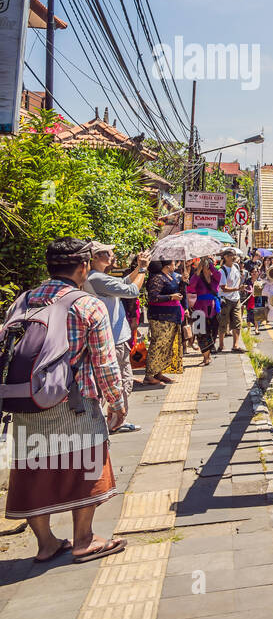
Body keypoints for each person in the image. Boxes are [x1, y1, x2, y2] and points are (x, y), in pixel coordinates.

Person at [4, 237, 129, 563]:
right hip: (75, 404)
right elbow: (104, 363)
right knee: (86, 469)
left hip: (26, 402)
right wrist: (117, 402)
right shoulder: (88, 305)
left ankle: (46, 543)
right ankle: (84, 539)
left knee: (33, 471)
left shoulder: (23, 301)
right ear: (83, 266)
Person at [85, 242, 147, 429]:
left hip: (113, 337)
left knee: (115, 382)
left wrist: (137, 268)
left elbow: (124, 283)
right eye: (107, 252)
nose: (112, 254)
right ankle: (116, 421)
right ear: (94, 257)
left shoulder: (98, 277)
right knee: (122, 381)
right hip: (114, 339)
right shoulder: (97, 279)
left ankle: (113, 420)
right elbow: (131, 291)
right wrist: (143, 269)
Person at [143, 260, 184, 385]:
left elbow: (178, 290)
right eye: (173, 263)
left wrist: (183, 282)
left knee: (166, 345)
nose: (175, 265)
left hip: (172, 315)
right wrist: (171, 297)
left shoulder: (169, 277)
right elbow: (153, 297)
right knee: (158, 344)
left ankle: (158, 372)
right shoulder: (157, 278)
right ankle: (149, 375)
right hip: (160, 316)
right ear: (167, 266)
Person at [186, 256, 221, 367]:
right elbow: (190, 287)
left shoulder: (215, 277)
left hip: (213, 308)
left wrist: (209, 263)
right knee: (201, 333)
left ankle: (209, 355)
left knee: (213, 332)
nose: (207, 268)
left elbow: (218, 275)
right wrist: (198, 270)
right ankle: (206, 357)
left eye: (208, 266)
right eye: (205, 266)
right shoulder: (197, 278)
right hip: (199, 308)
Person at [217, 248, 244, 353]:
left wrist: (239, 288)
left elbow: (237, 280)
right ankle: (221, 345)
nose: (234, 257)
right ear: (225, 257)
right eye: (231, 255)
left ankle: (235, 345)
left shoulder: (236, 267)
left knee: (237, 322)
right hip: (225, 299)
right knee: (223, 323)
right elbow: (223, 288)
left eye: (235, 255)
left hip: (236, 298)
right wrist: (237, 288)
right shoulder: (222, 270)